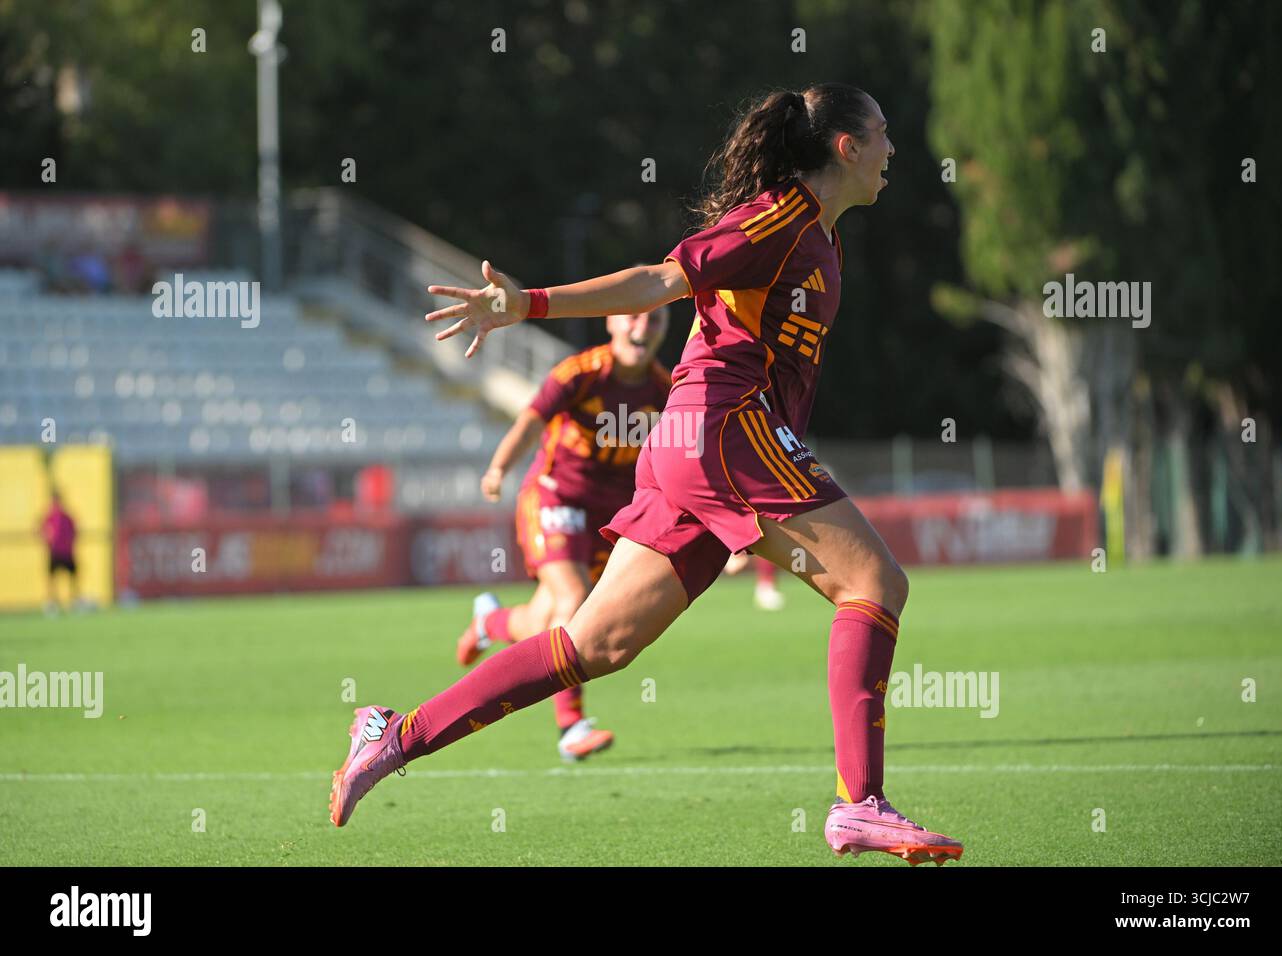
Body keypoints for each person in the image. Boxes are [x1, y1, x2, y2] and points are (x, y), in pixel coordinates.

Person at [330, 83, 963, 865]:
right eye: (884, 133)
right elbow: (658, 280)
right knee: (875, 584)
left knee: (594, 644)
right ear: (846, 146)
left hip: (693, 444)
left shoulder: (822, 237)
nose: (894, 149)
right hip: (723, 430)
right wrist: (524, 304)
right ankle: (859, 804)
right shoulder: (782, 216)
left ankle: (394, 737)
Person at [457, 307, 671, 761]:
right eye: (633, 317)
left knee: (543, 623)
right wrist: (498, 468)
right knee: (574, 599)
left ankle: (488, 622)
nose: (642, 327)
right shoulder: (580, 373)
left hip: (608, 517)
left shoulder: (665, 390)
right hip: (553, 497)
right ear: (611, 322)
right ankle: (570, 726)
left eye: (655, 320)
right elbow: (531, 420)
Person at [40, 491, 79, 613]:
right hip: (55, 551)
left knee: (73, 576)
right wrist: (47, 541)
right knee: (52, 578)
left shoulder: (67, 516)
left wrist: (71, 542)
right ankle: (53, 601)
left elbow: (75, 531)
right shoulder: (50, 515)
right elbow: (41, 529)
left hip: (67, 552)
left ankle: (73, 601)